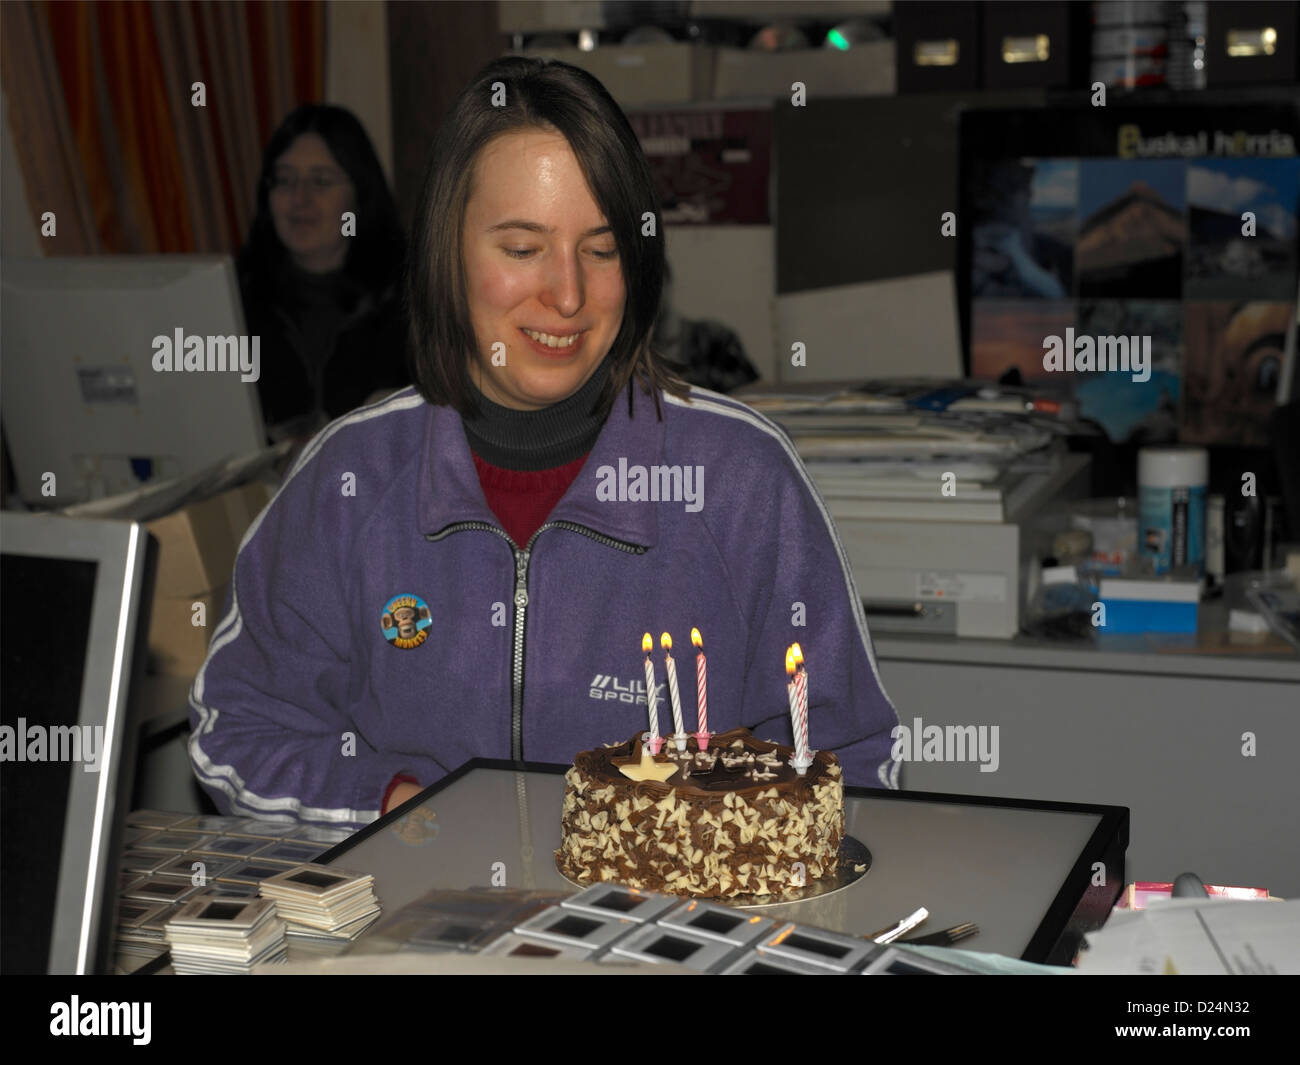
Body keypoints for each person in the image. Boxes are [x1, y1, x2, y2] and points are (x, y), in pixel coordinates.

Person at [189, 57, 901, 828]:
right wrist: (392, 805)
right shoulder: (349, 477)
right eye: (523, 248)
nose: (567, 294)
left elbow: (853, 765)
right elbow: (237, 728)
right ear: (446, 256)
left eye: (601, 249)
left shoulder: (742, 481)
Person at [237, 104, 410, 440]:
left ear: (359, 195)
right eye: (285, 180)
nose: (299, 198)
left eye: (321, 181)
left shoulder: (416, 301)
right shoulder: (235, 301)